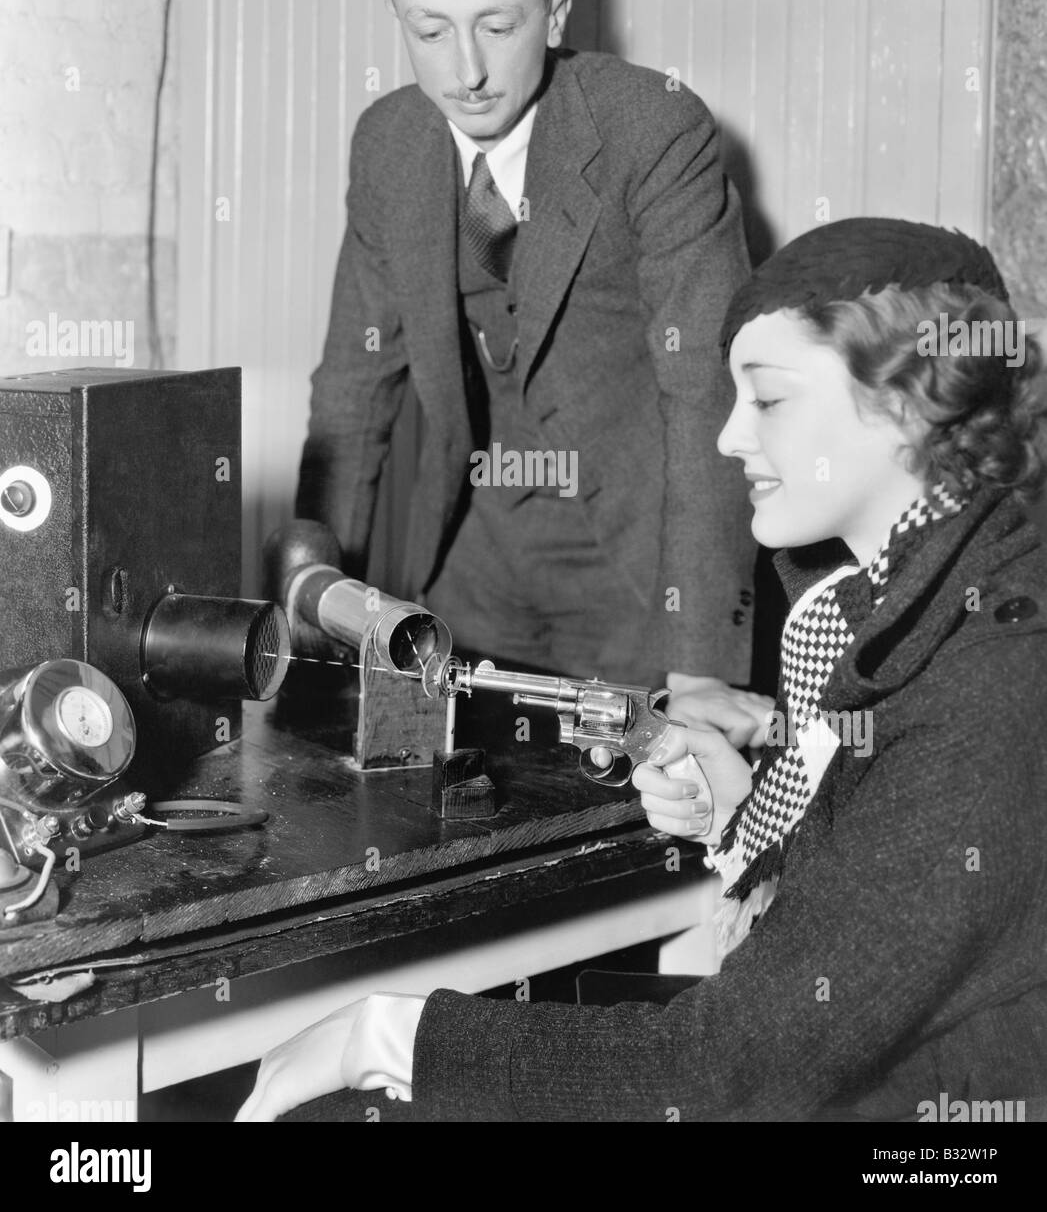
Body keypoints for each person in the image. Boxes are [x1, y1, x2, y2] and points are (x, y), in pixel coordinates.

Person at [240, 218, 1047, 1123]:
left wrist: (381, 1036)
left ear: (908, 402)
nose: (727, 439)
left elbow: (715, 1076)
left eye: (769, 400)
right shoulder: (911, 603)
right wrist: (745, 809)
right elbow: (873, 912)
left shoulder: (993, 681)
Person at [294, 0, 754, 686]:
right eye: (428, 31)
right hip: (467, 577)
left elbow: (705, 394)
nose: (463, 71)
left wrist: (702, 669)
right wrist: (308, 603)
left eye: (497, 27)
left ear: (554, 15)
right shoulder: (388, 143)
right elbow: (353, 393)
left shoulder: (654, 127)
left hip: (640, 577)